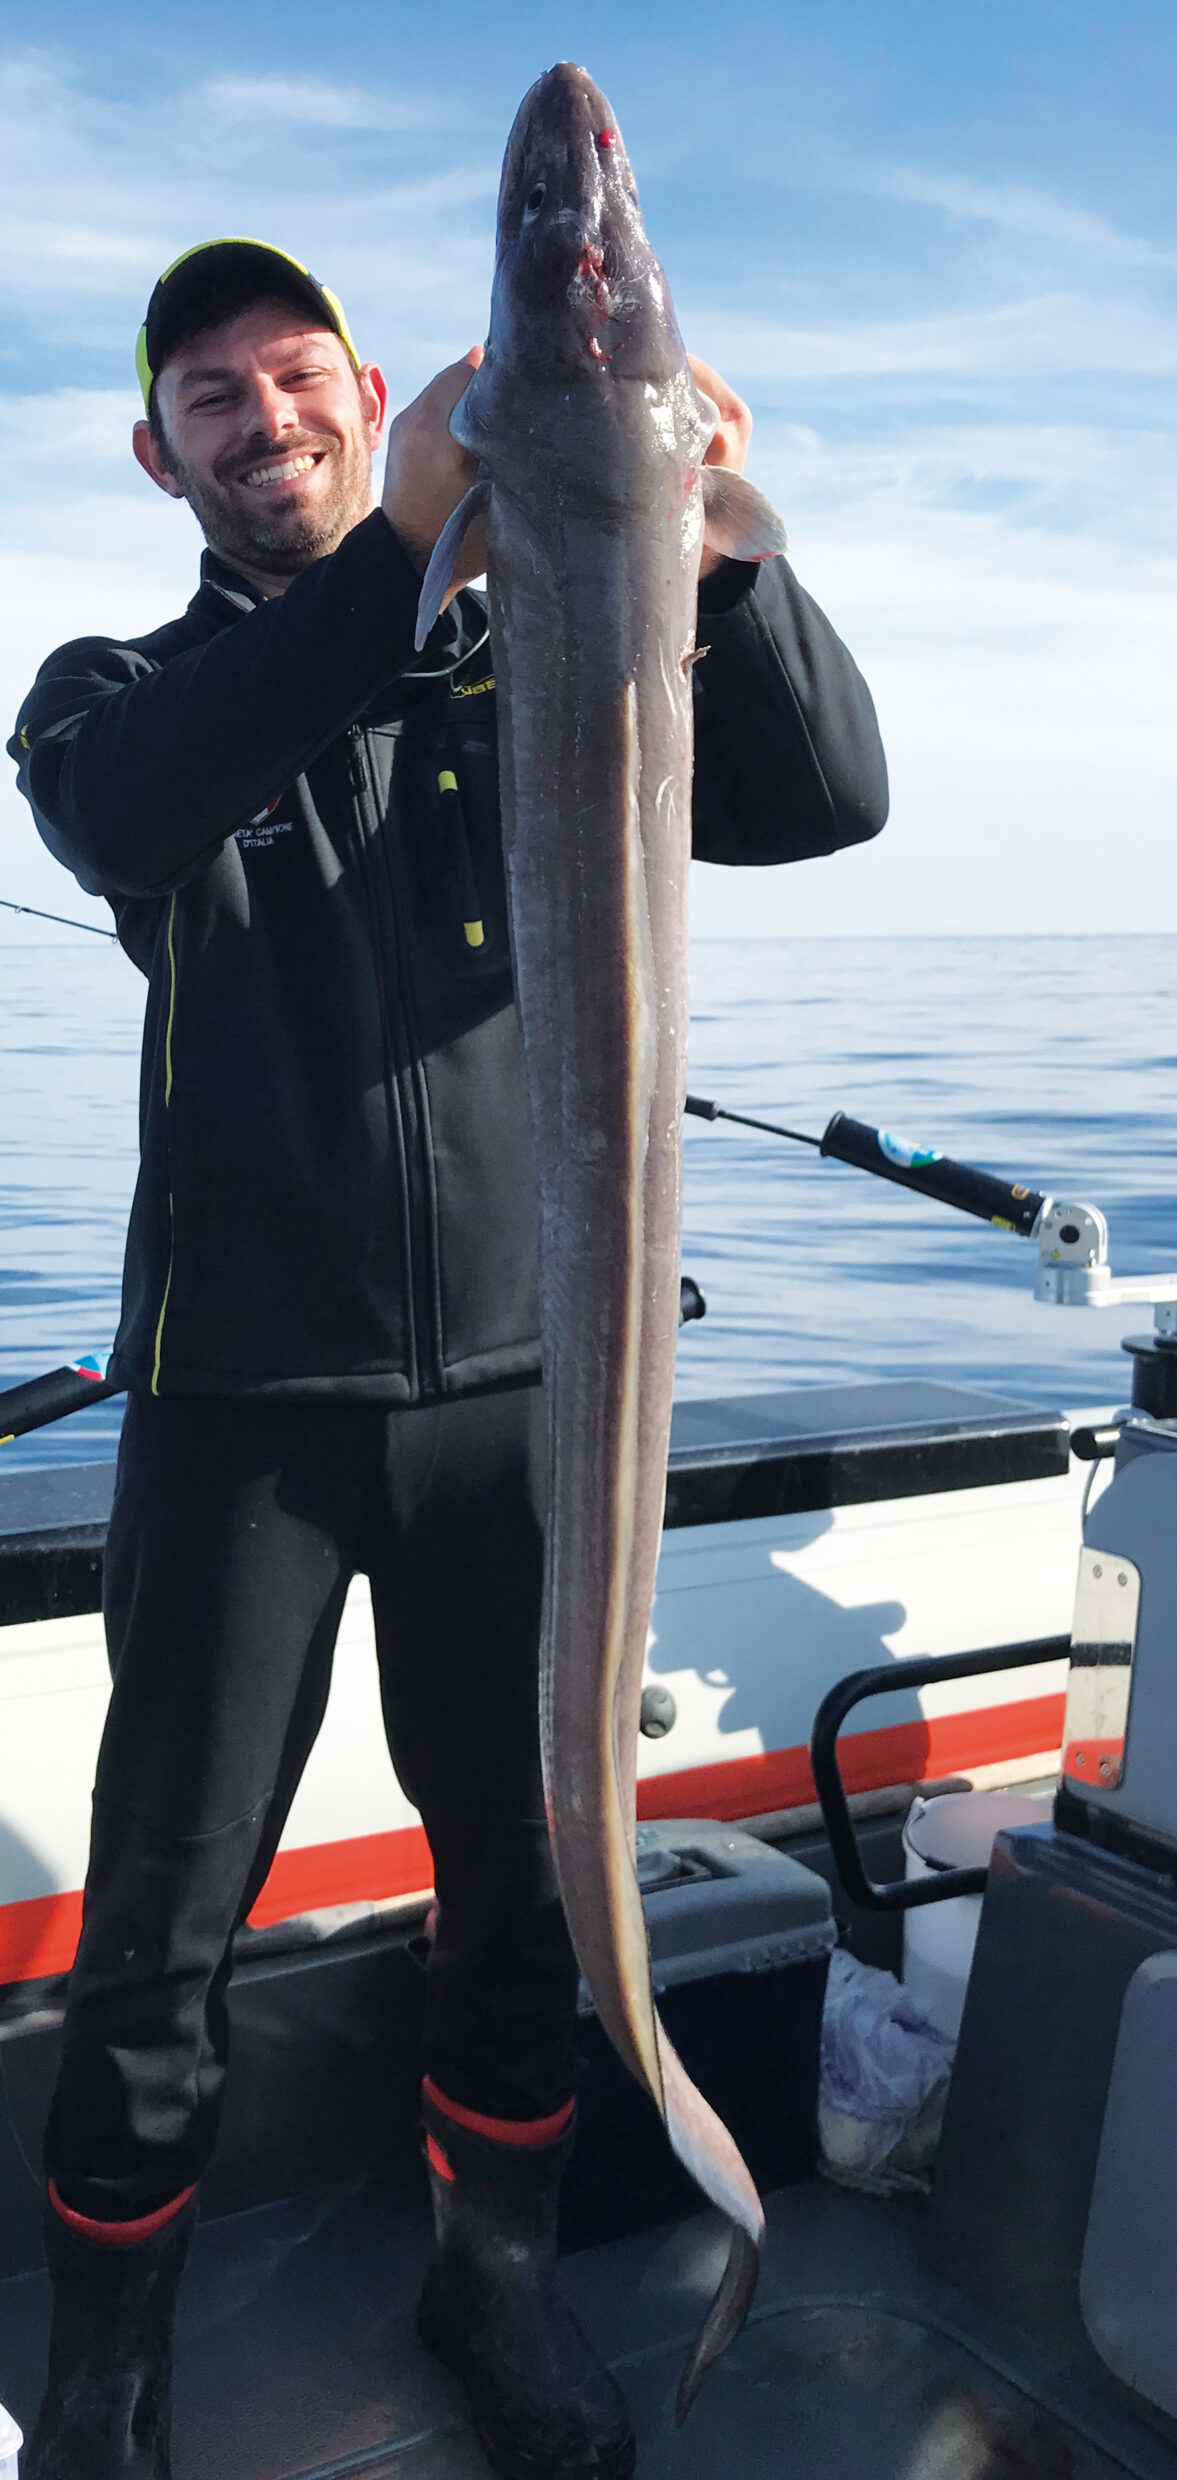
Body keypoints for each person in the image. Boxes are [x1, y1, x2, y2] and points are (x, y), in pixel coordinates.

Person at [8, 237, 889, 2479]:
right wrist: (409, 532)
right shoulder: (108, 692)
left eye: (295, 373)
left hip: (521, 1396)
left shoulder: (543, 652)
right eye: (208, 396)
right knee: (154, 1928)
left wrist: (721, 543)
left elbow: (818, 794)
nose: (261, 415)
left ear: (373, 381)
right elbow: (133, 814)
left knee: (510, 1878)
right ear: (154, 451)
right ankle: (109, 2358)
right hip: (243, 1423)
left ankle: (488, 2267)